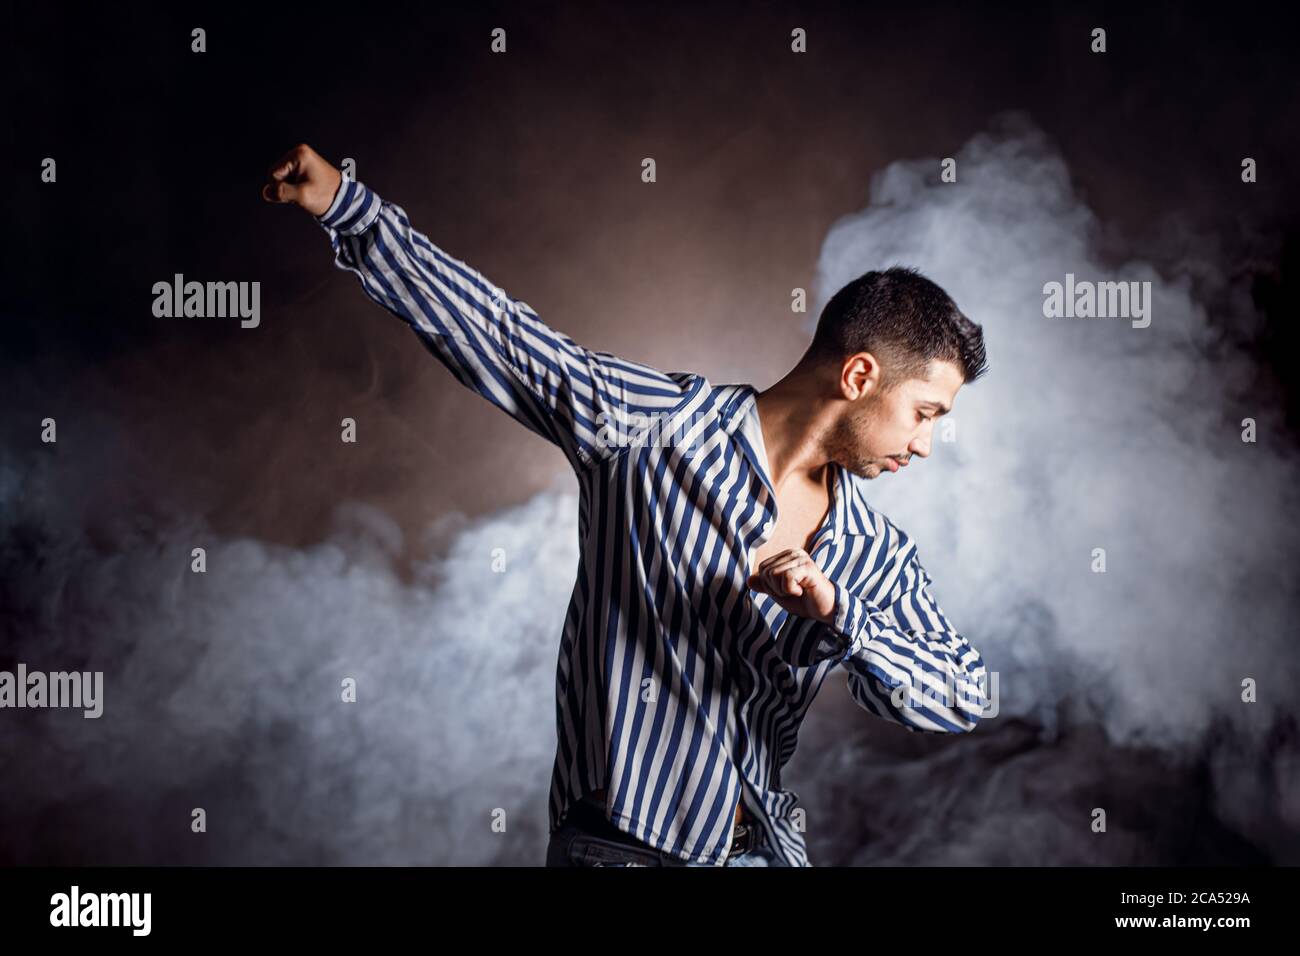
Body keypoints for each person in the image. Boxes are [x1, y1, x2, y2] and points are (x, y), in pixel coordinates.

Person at [262, 144, 992, 868]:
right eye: (924, 412)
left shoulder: (875, 552)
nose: (926, 444)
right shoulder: (651, 426)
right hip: (619, 853)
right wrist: (350, 211)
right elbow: (507, 339)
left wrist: (842, 617)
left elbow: (965, 694)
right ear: (860, 375)